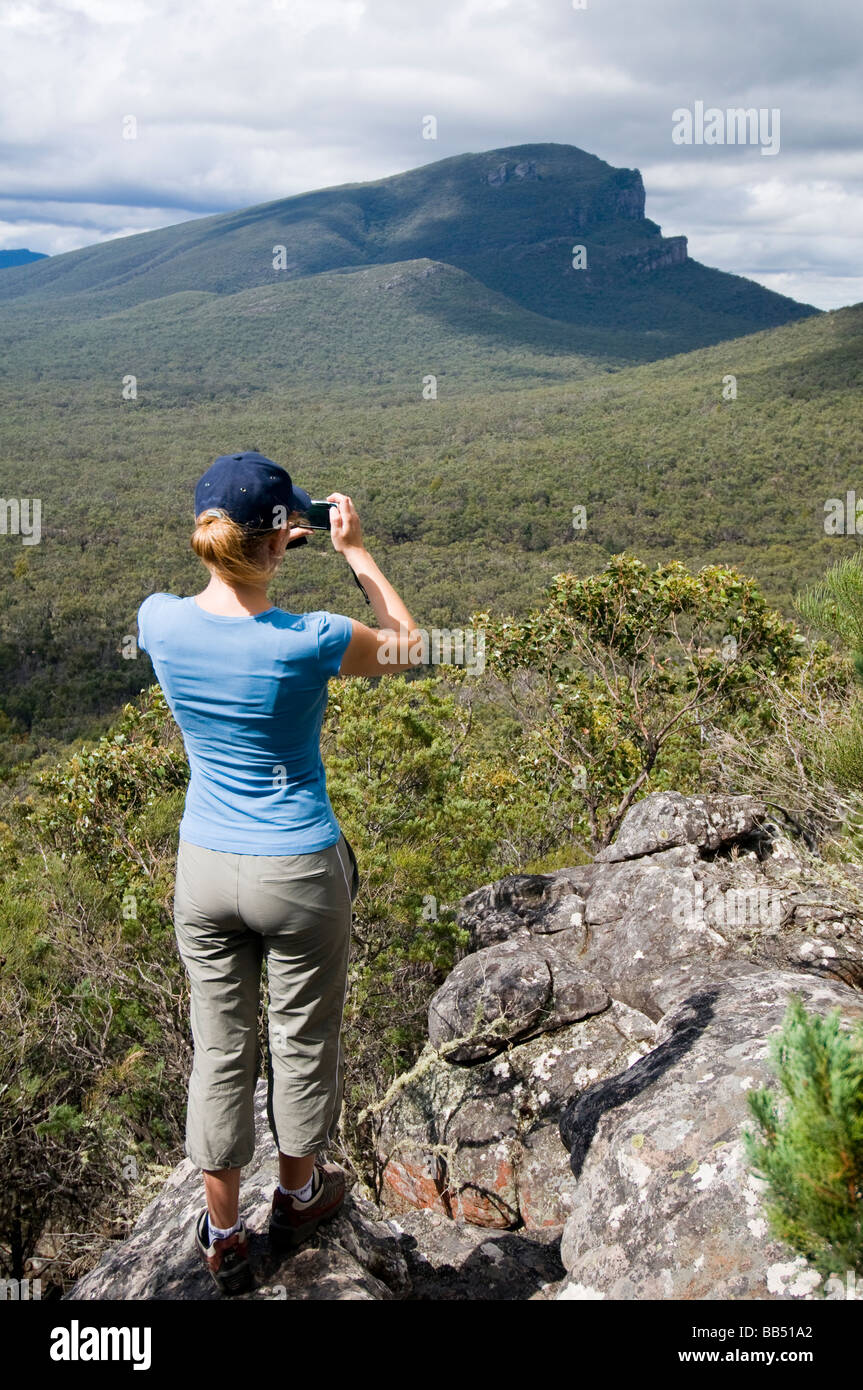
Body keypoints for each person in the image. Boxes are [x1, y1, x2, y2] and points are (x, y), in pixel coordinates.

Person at [136, 451, 422, 1295]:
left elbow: (215, 595)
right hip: (296, 867)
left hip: (206, 868)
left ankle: (222, 1234)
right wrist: (357, 554)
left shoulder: (158, 620)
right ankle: (298, 1194)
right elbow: (407, 648)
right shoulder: (315, 638)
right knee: (301, 1038)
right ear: (280, 542)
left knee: (219, 1050)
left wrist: (263, 549)